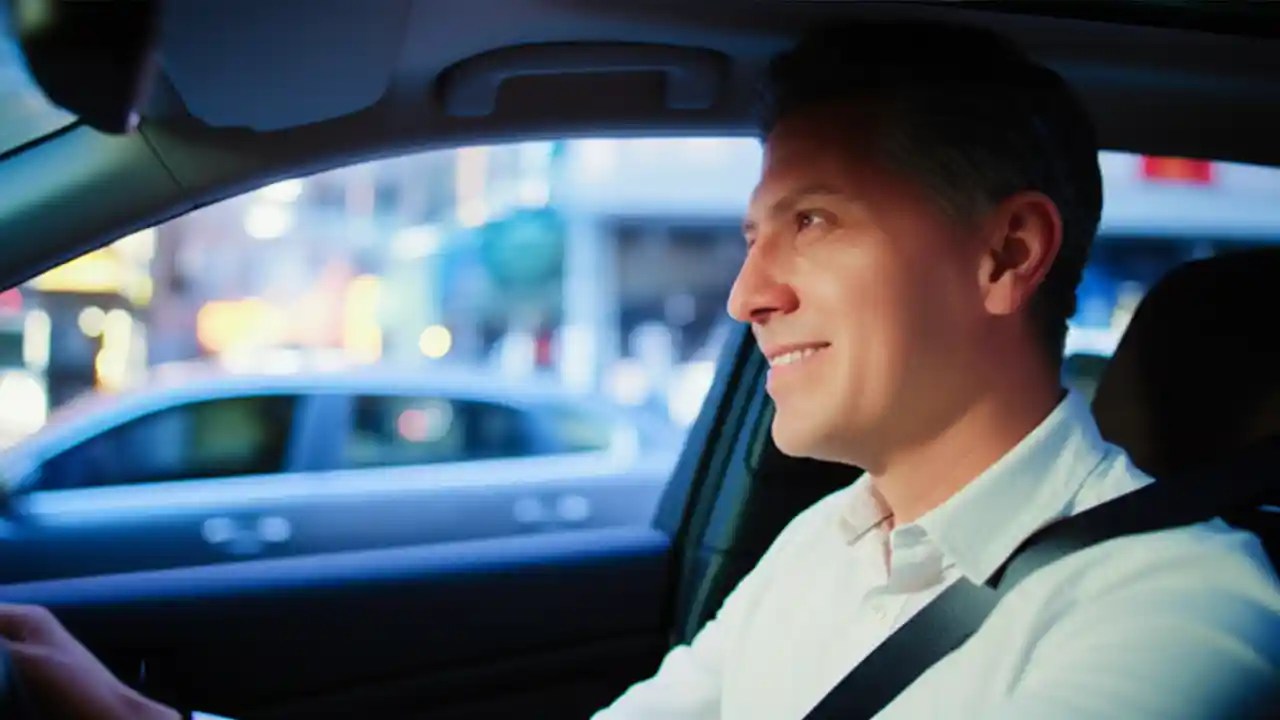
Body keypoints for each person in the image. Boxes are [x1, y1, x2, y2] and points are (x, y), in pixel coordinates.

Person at [0, 20, 1277, 720]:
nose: (744, 294)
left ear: (1005, 253)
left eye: (814, 222)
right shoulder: (829, 543)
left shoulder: (1176, 609)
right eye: (749, 235)